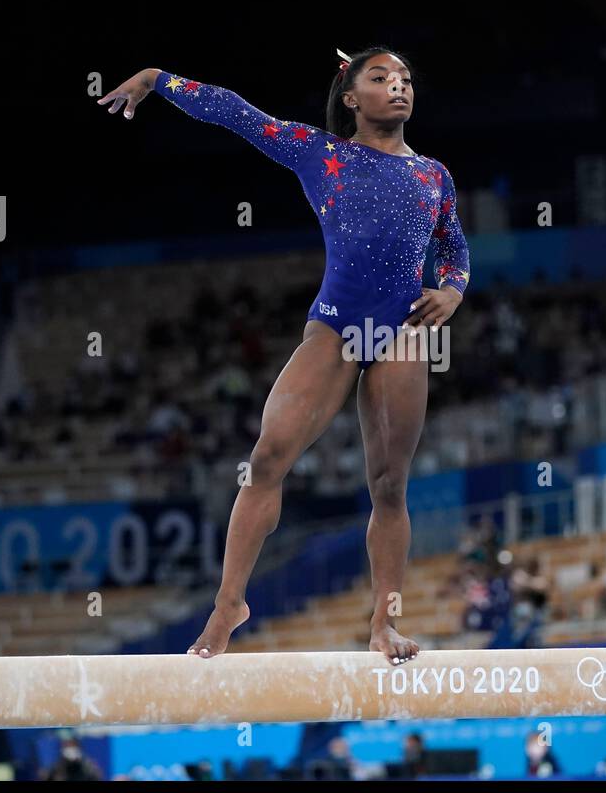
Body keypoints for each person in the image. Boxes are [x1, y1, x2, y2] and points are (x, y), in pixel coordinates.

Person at [100, 50, 471, 663]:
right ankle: (228, 608)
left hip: (404, 329)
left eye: (405, 79)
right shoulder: (322, 152)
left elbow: (454, 244)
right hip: (335, 326)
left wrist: (453, 289)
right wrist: (159, 81)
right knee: (266, 458)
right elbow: (241, 115)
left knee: (388, 483)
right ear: (351, 97)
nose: (398, 87)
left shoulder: (434, 175)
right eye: (380, 78)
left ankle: (385, 621)